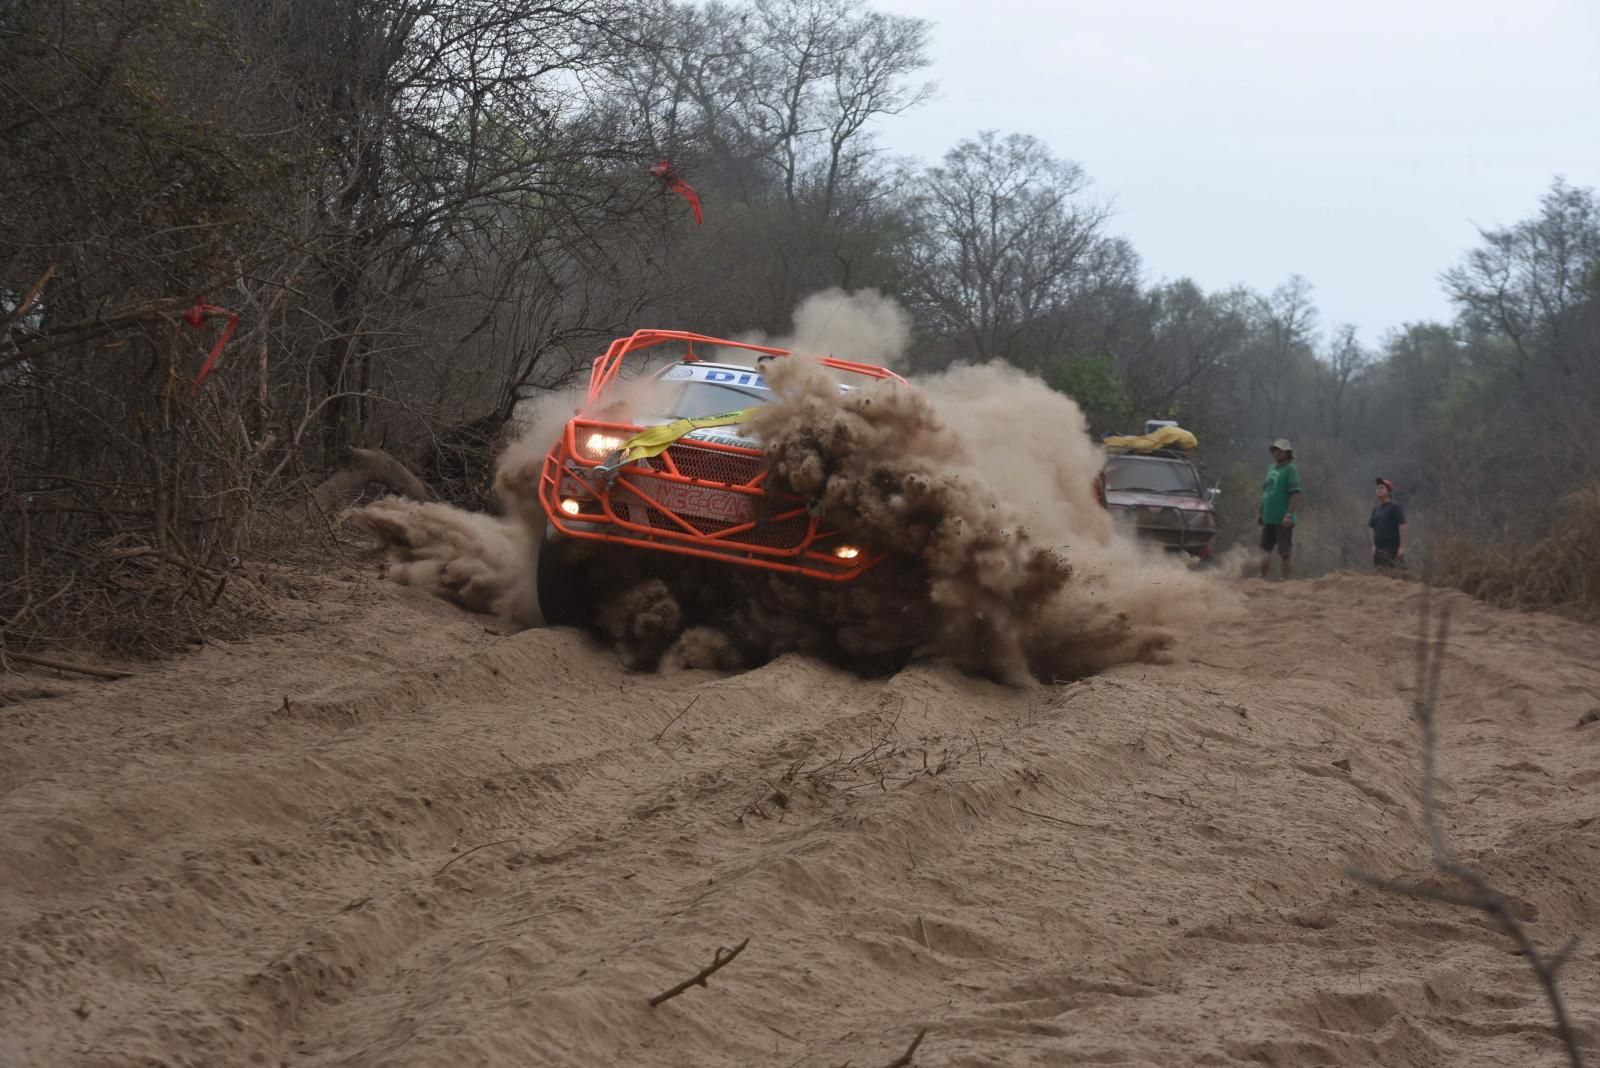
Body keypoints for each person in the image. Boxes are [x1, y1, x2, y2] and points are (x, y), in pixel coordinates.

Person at [1258, 438, 1302, 579]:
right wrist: (1261, 512)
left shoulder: (1291, 469)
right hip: (1269, 516)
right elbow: (1267, 492)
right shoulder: (1271, 468)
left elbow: (1295, 493)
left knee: (1285, 551)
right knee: (1264, 550)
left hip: (1283, 518)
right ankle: (1262, 578)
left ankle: (1285, 581)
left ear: (1287, 453)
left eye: (1281, 450)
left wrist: (1289, 514)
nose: (1278, 453)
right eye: (1276, 450)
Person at [1369, 478, 1407, 568]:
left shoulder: (1395, 507)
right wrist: (1373, 546)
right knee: (1381, 577)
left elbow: (1403, 525)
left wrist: (1401, 547)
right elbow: (1371, 527)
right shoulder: (1376, 509)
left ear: (1389, 491)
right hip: (1379, 551)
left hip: (1392, 549)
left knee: (1396, 577)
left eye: (1382, 488)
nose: (1379, 490)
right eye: (1377, 488)